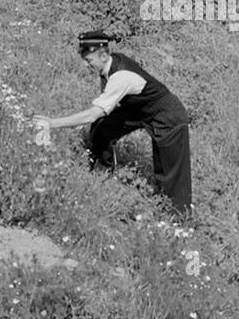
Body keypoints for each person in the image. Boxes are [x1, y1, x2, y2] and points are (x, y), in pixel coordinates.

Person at [37, 31, 192, 217]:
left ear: (103, 55)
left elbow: (92, 114)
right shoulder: (109, 65)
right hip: (138, 108)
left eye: (89, 61)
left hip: (167, 115)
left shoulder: (121, 77)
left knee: (170, 173)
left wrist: (52, 123)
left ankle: (177, 220)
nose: (86, 65)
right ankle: (102, 171)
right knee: (103, 127)